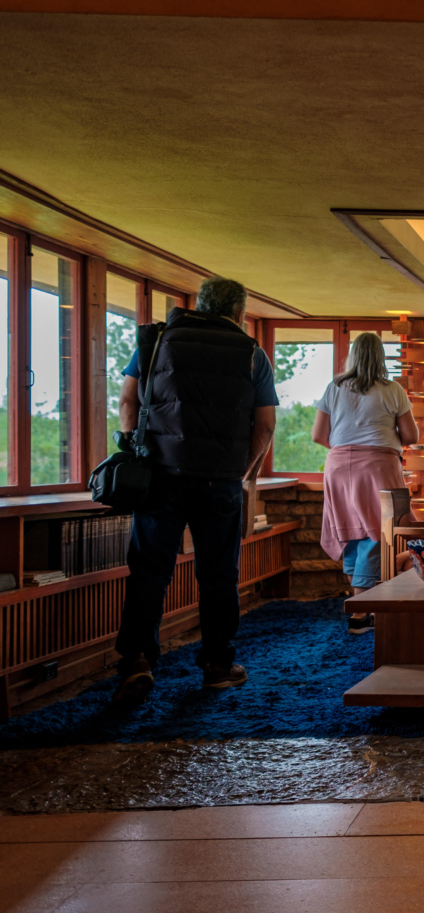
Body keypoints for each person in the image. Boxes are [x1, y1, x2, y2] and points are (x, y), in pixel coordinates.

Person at [111, 278, 278, 707]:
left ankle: (137, 661)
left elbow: (128, 401)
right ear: (239, 313)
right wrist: (239, 472)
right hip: (219, 481)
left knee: (150, 571)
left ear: (199, 306)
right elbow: (265, 426)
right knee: (218, 574)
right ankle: (218, 667)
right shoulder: (252, 353)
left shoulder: (157, 341)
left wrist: (134, 450)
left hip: (160, 477)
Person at [312, 333, 420, 633]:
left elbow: (318, 435)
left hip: (338, 466)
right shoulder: (392, 389)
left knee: (349, 528)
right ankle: (361, 613)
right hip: (378, 465)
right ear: (381, 357)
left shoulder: (334, 387)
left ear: (353, 355)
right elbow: (411, 436)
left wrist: (348, 449)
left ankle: (361, 604)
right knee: (377, 530)